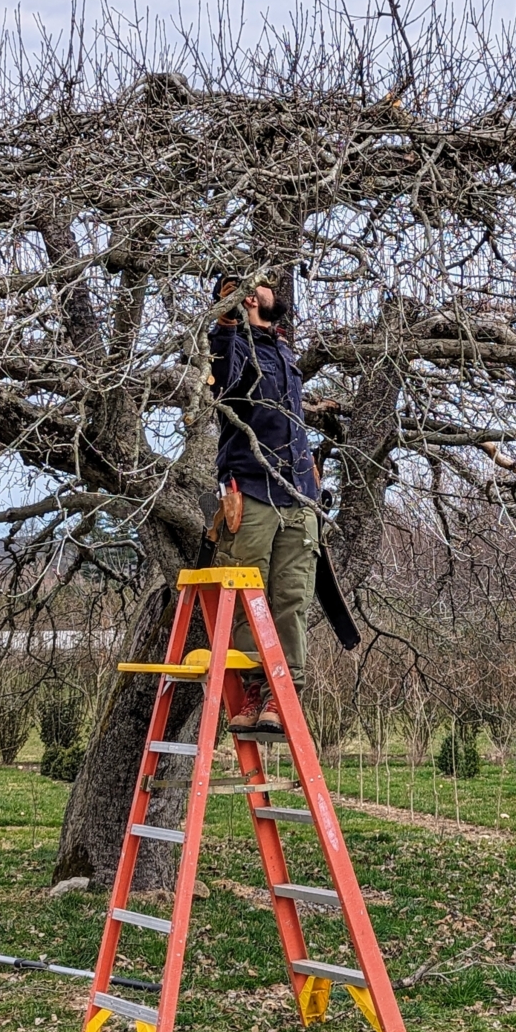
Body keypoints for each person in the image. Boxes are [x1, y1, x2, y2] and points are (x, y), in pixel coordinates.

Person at [208, 273, 319, 735]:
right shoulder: (232, 344)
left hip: (298, 495)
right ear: (246, 299)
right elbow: (226, 379)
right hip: (252, 489)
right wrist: (228, 320)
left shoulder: (283, 348)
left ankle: (283, 689)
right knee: (249, 599)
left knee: (292, 596)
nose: (266, 288)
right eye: (256, 285)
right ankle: (255, 686)